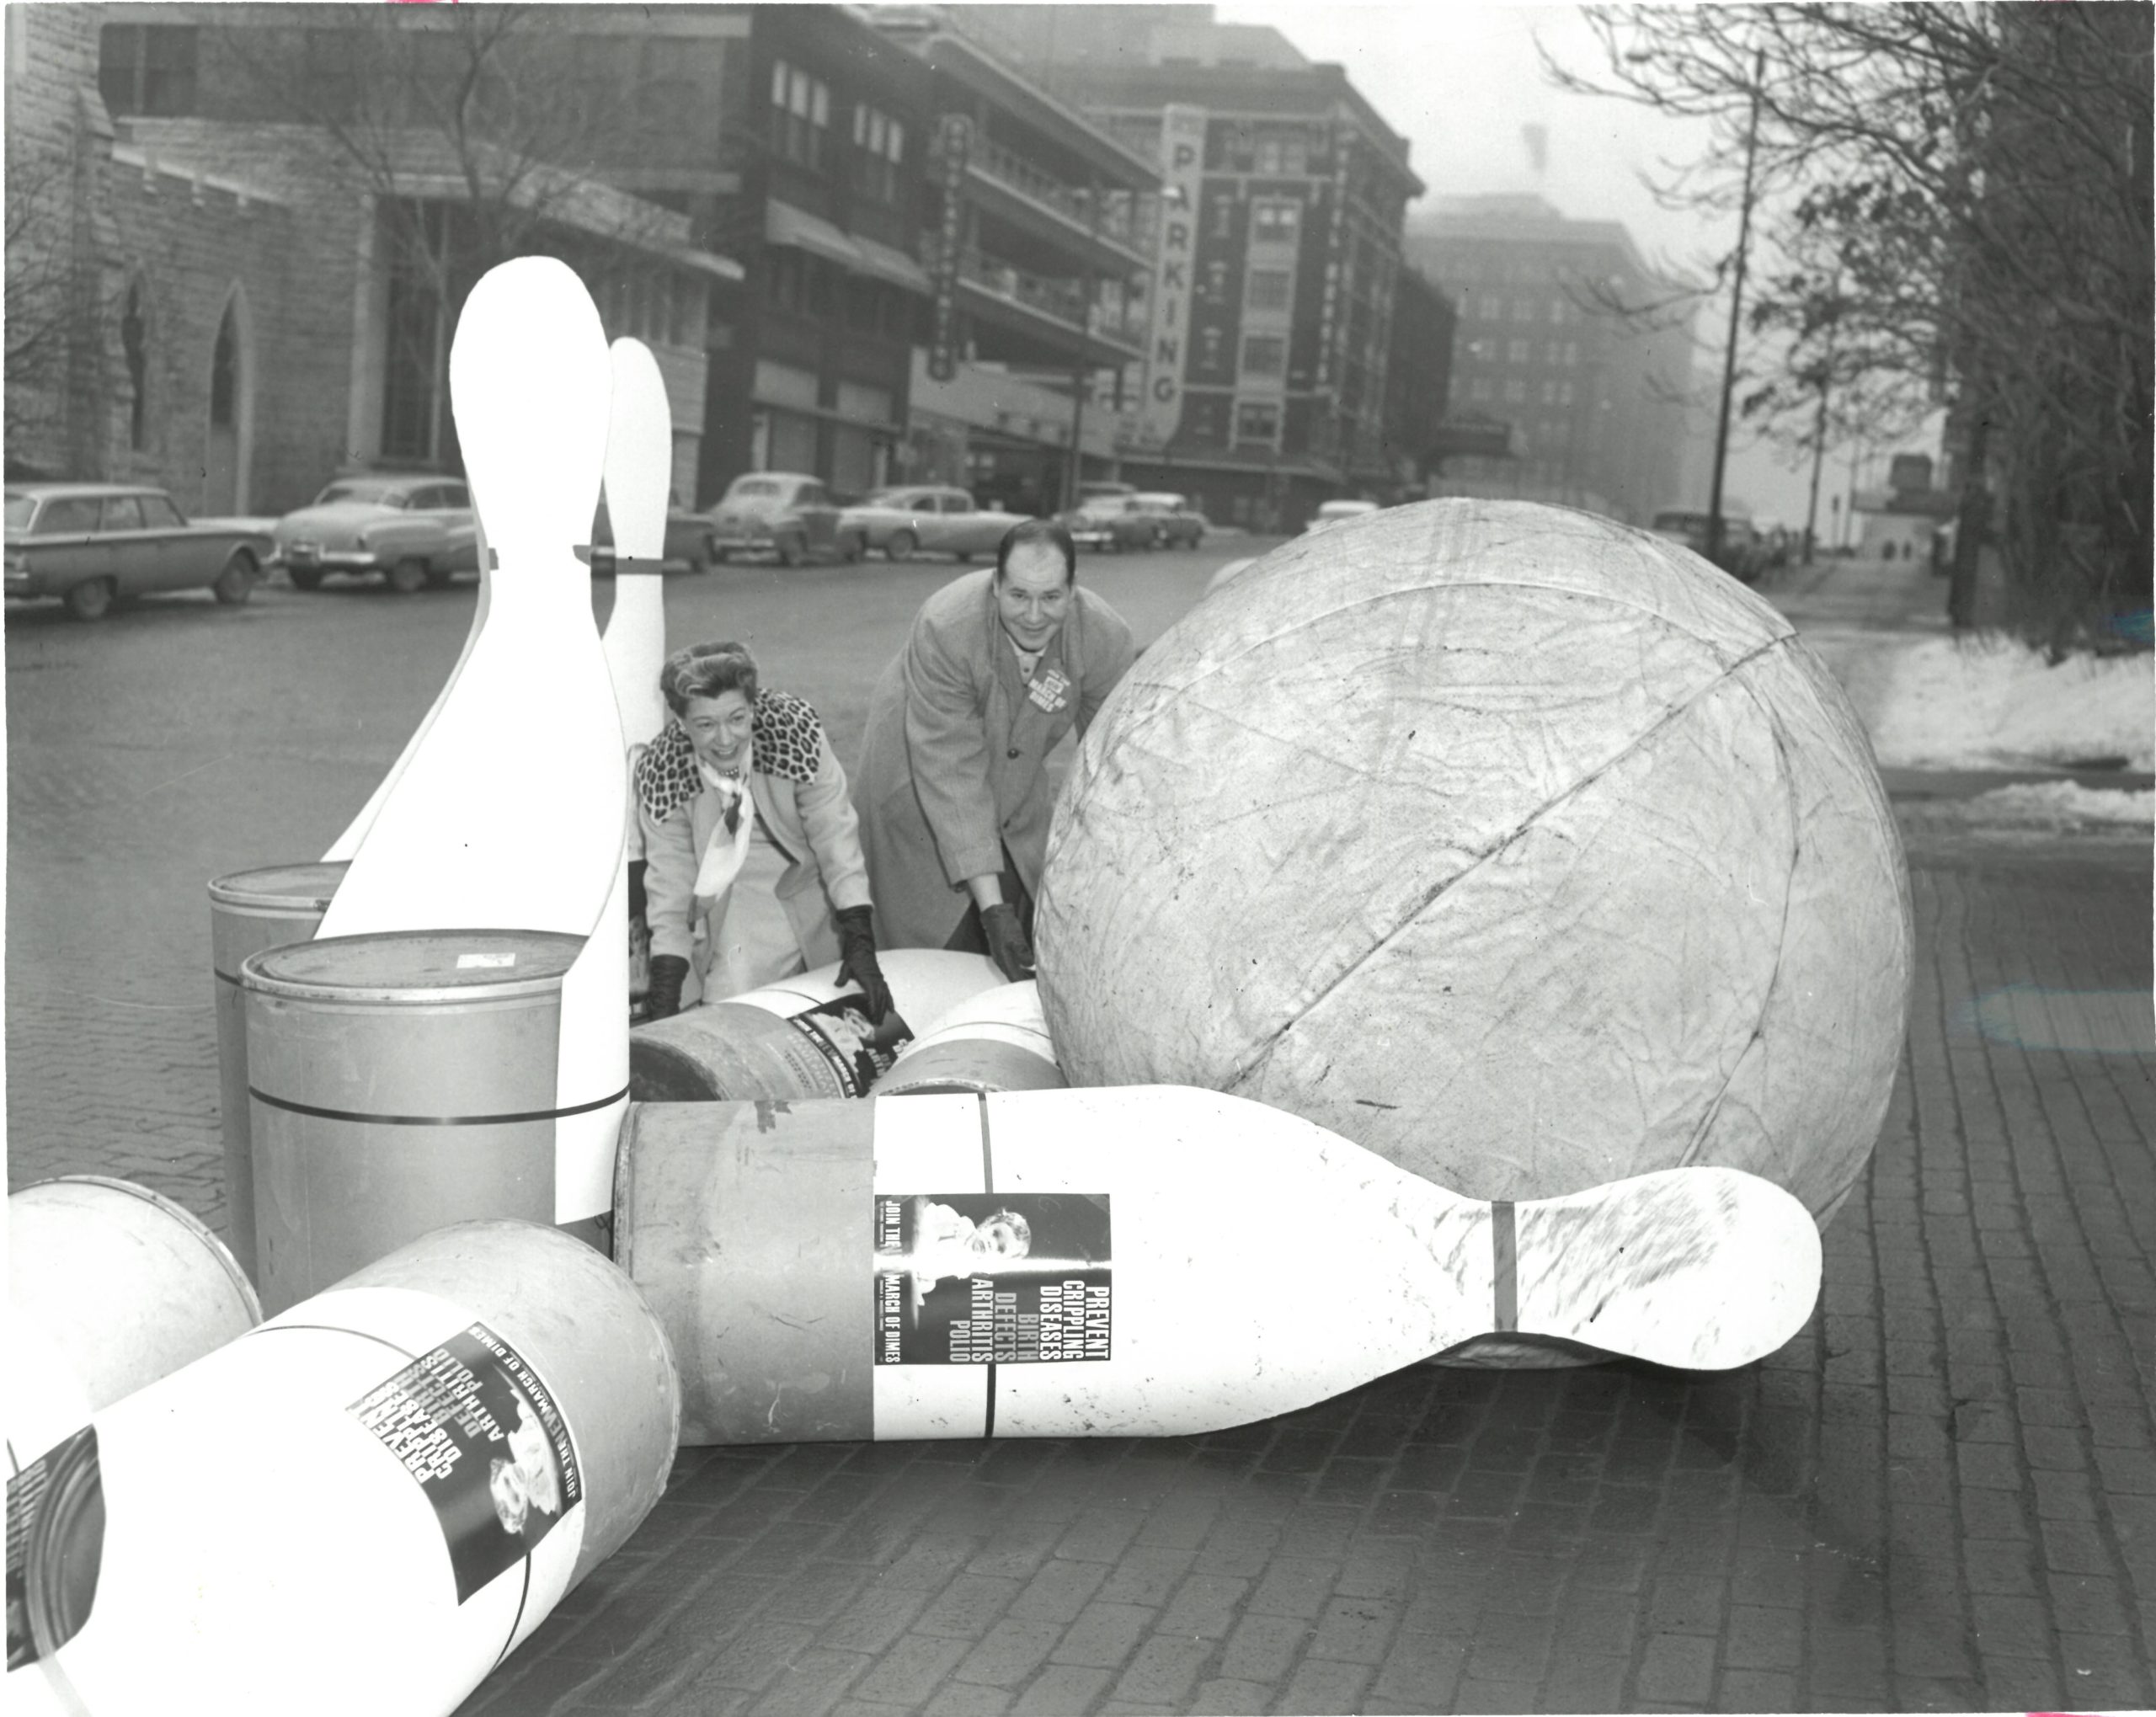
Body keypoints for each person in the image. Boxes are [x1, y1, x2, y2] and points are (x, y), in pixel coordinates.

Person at [853, 519, 1135, 979]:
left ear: (1074, 589)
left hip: (1013, 784)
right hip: (918, 775)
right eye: (1019, 596)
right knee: (939, 945)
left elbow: (1112, 769)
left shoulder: (1104, 638)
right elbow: (952, 773)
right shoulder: (947, 626)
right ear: (995, 584)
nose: (1034, 615)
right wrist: (992, 912)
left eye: (1051, 598)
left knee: (1026, 918)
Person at [635, 641, 890, 1021]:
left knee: (835, 998)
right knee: (733, 1000)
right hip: (722, 893)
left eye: (737, 718)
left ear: (753, 707)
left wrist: (860, 941)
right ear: (682, 723)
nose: (724, 739)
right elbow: (670, 886)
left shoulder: (795, 731)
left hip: (806, 877)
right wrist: (665, 996)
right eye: (705, 725)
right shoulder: (662, 769)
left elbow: (835, 838)